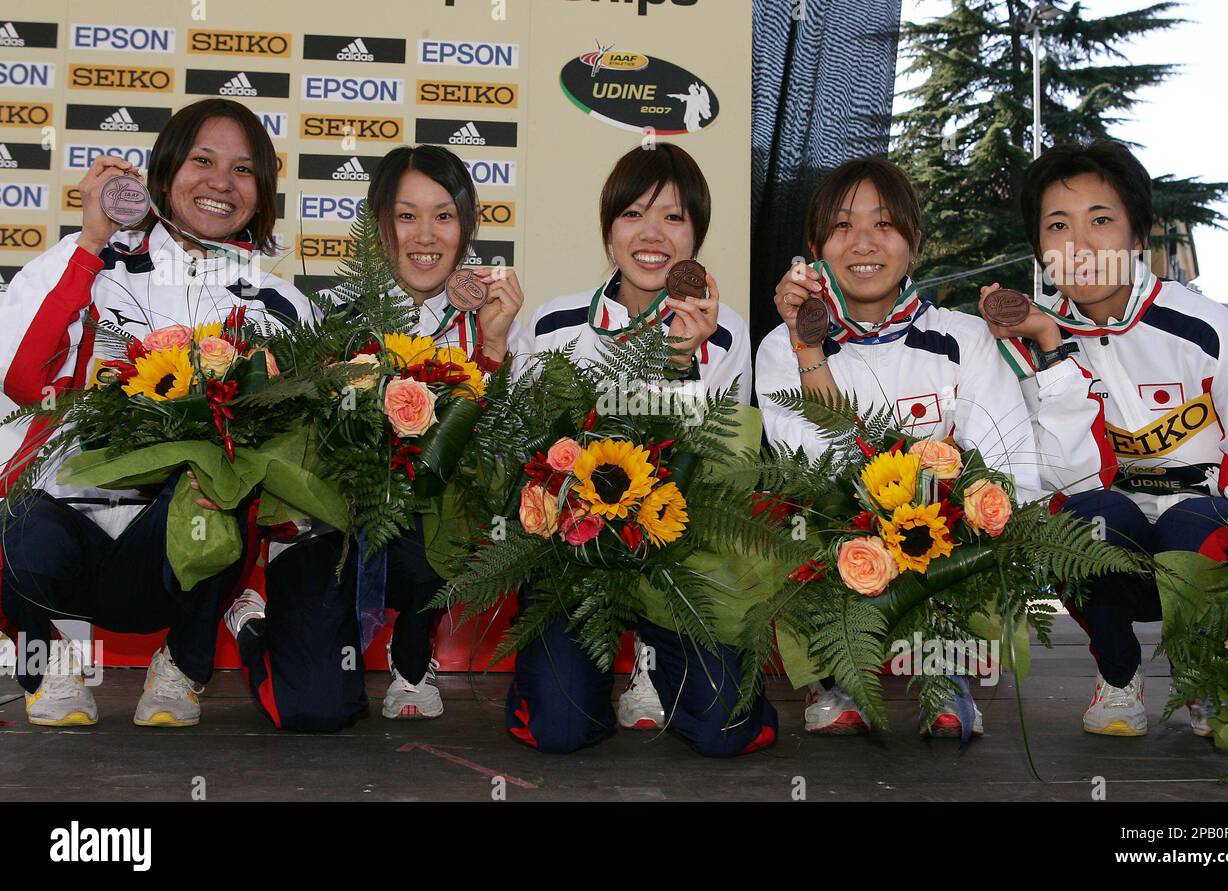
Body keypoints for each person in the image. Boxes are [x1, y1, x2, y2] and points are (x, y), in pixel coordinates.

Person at [0, 98, 315, 728]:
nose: (221, 182)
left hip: (176, 545)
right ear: (164, 172)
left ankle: (184, 662)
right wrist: (91, 242)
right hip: (70, 521)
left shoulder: (280, 304)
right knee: (17, 517)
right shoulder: (86, 261)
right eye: (203, 160)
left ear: (263, 193)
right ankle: (44, 663)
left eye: (244, 170)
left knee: (226, 476)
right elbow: (23, 378)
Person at [981, 140, 1228, 737]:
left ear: (1138, 237)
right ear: (1041, 249)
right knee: (1085, 516)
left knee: (1191, 521)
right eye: (1058, 225)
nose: (1079, 244)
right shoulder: (1028, 337)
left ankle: (1206, 672)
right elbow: (1063, 477)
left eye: (1101, 220)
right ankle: (1119, 676)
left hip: (1206, 536)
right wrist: (1053, 355)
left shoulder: (1204, 325)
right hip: (1113, 541)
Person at [224, 144, 524, 728]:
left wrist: (491, 351)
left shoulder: (492, 316)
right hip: (330, 532)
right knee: (314, 713)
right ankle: (255, 621)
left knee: (462, 505)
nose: (425, 235)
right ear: (378, 222)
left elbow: (502, 456)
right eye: (406, 215)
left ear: (467, 225)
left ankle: (414, 654)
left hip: (430, 531)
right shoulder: (329, 314)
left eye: (444, 215)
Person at [756, 156, 1044, 737]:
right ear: (814, 250)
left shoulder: (964, 339)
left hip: (941, 544)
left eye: (884, 224)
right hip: (844, 536)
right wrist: (808, 347)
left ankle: (945, 672)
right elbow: (818, 476)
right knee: (802, 519)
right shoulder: (778, 349)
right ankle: (837, 676)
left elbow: (1009, 465)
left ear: (914, 242)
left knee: (981, 507)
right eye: (840, 226)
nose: (862, 242)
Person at [506, 142, 774, 756]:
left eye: (674, 217)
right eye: (633, 214)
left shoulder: (725, 331)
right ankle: (585, 675)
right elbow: (527, 450)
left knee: (725, 733)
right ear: (607, 232)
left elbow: (707, 468)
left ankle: (653, 660)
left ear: (696, 238)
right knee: (560, 729)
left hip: (678, 555)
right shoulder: (555, 323)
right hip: (573, 555)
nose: (652, 233)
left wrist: (682, 362)